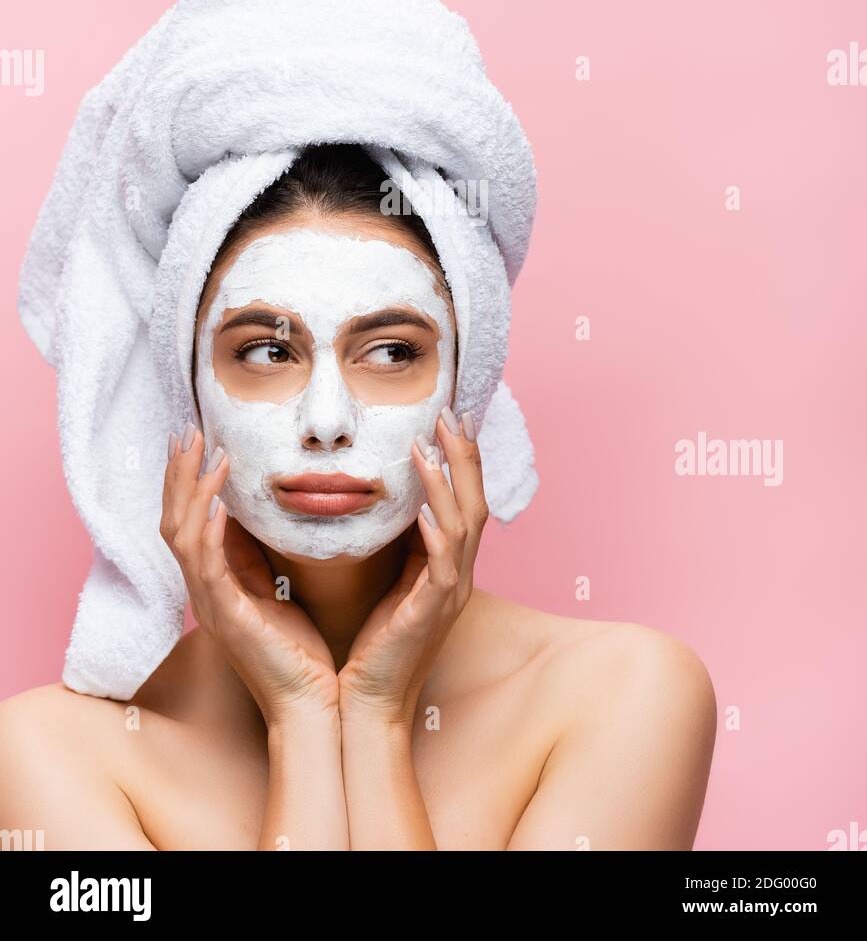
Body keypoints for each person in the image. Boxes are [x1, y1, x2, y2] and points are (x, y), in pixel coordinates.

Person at [0, 142, 716, 851]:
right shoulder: (55, 757)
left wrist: (378, 717)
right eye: (267, 351)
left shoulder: (622, 696)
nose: (326, 423)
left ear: (468, 388)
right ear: (186, 394)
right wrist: (300, 717)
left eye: (391, 351)